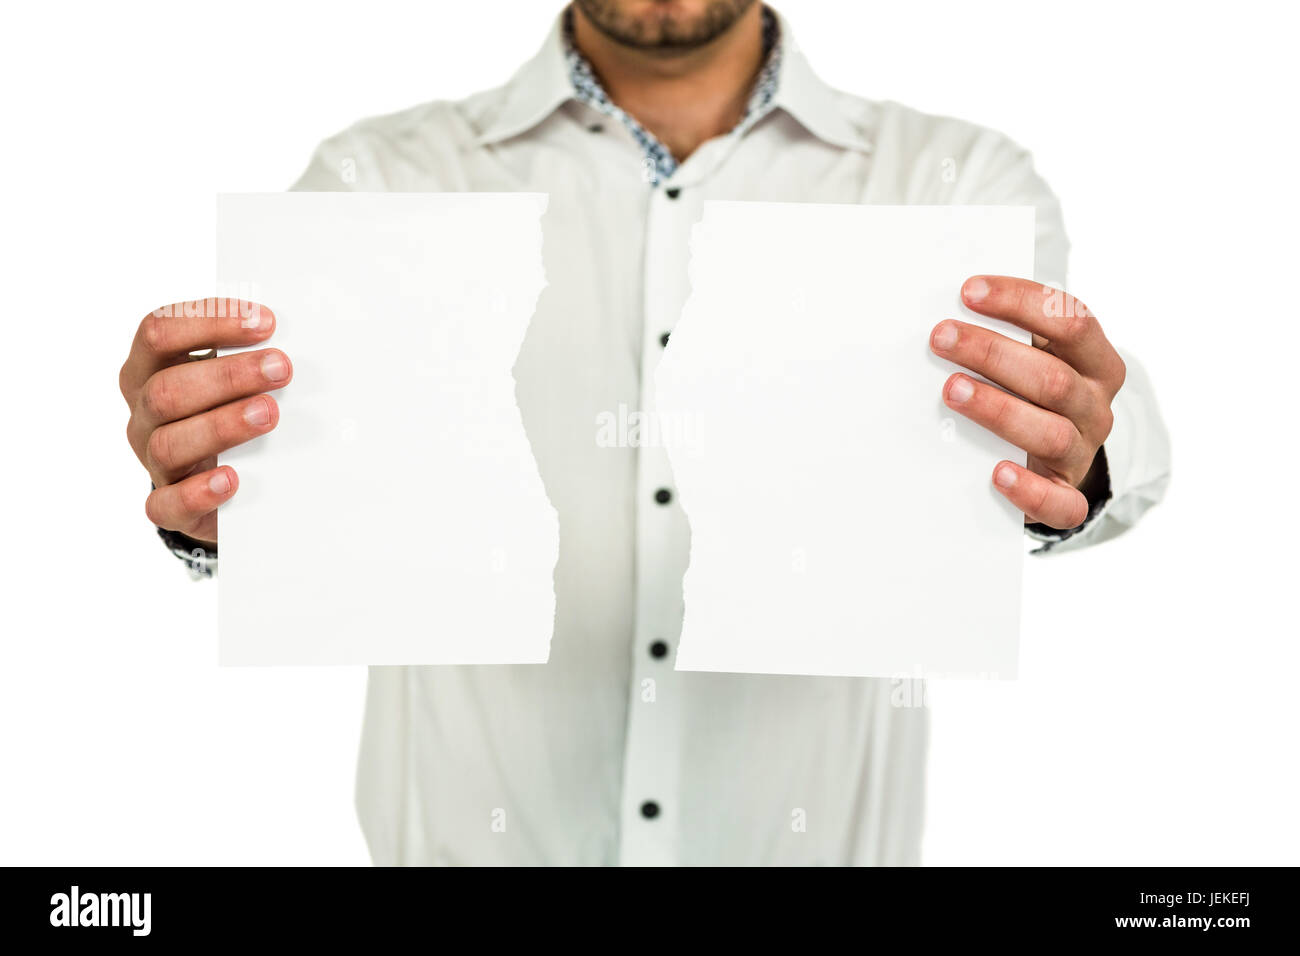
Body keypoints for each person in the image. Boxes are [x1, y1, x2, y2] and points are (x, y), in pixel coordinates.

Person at [118, 1, 1170, 865]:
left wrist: (1074, 460)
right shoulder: (377, 176)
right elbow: (276, 494)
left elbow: (1112, 455)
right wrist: (217, 495)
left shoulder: (956, 180)